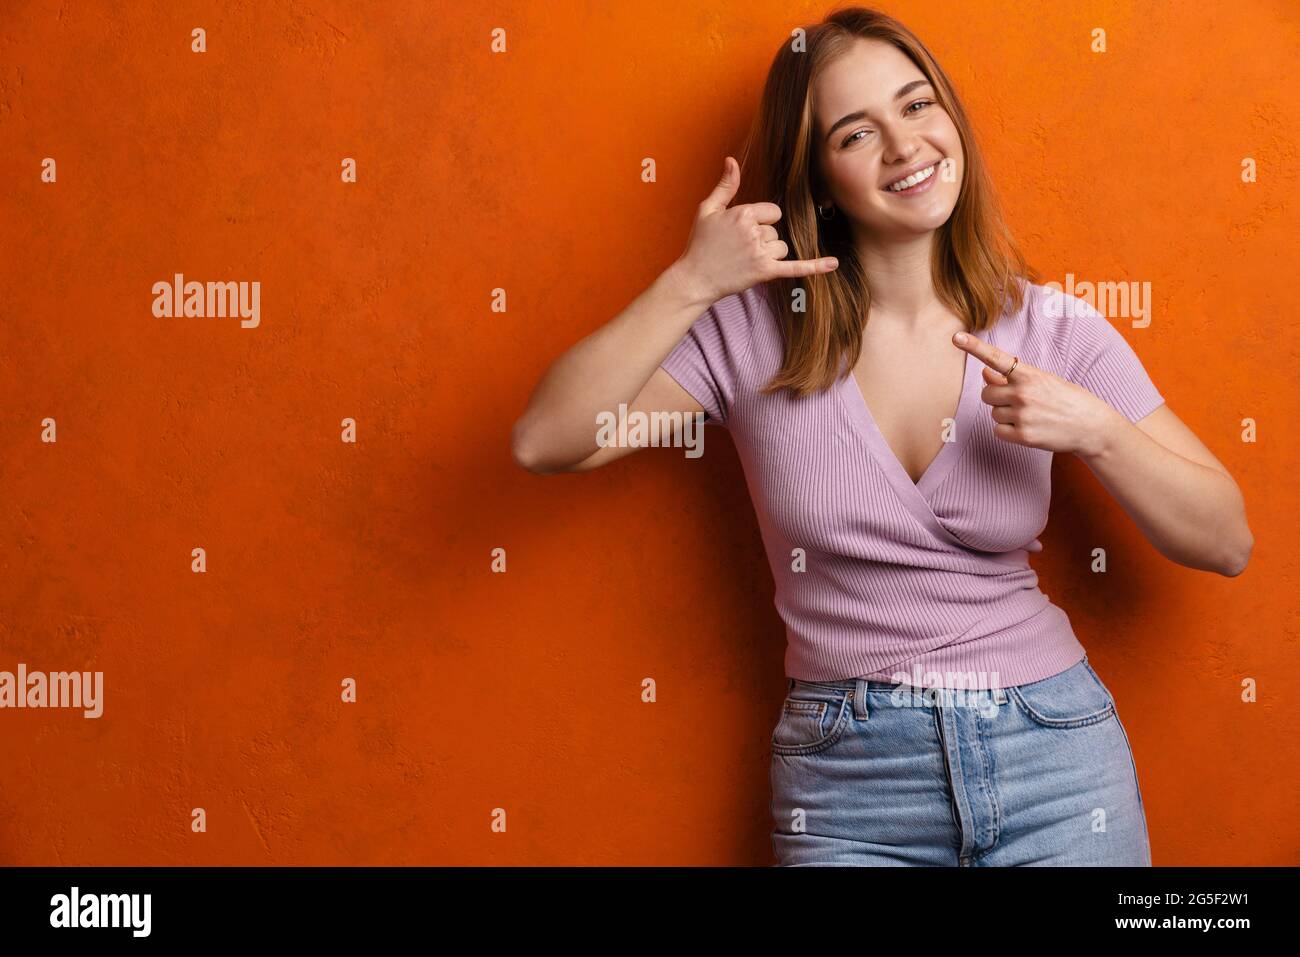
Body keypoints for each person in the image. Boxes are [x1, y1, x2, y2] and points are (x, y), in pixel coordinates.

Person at [509, 7, 1253, 865]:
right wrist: (690, 283)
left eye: (917, 105)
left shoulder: (1055, 328)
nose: (906, 147)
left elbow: (1227, 539)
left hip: (1054, 752)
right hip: (849, 785)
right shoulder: (754, 331)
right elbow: (546, 440)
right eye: (857, 132)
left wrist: (1098, 431)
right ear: (819, 178)